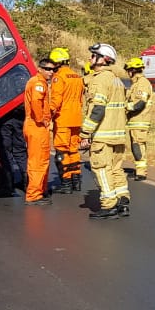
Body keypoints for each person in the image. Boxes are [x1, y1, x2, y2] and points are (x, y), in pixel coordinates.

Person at [82, 43, 131, 219]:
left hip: (103, 135)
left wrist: (85, 133)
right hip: (118, 135)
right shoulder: (117, 80)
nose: (90, 58)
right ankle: (122, 201)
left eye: (93, 55)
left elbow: (97, 110)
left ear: (102, 59)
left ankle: (109, 204)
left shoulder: (100, 80)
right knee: (116, 169)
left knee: (101, 169)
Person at [49, 48, 85, 194]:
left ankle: (66, 183)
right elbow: (81, 100)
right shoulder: (77, 77)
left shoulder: (59, 78)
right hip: (76, 118)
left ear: (56, 63)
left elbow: (56, 101)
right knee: (73, 150)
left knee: (62, 152)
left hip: (63, 119)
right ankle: (76, 181)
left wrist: (47, 116)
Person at [23, 57, 56, 204]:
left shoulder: (37, 82)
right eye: (48, 69)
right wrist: (41, 119)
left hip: (36, 126)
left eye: (53, 69)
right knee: (38, 161)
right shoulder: (38, 83)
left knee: (41, 159)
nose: (51, 72)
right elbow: (36, 102)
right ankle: (34, 195)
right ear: (40, 69)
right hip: (36, 127)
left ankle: (40, 190)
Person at [124, 56, 153, 182]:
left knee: (138, 147)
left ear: (133, 70)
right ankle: (139, 170)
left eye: (129, 70)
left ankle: (141, 172)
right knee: (135, 146)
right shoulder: (135, 84)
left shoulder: (142, 83)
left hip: (140, 120)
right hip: (134, 121)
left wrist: (125, 107)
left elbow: (140, 104)